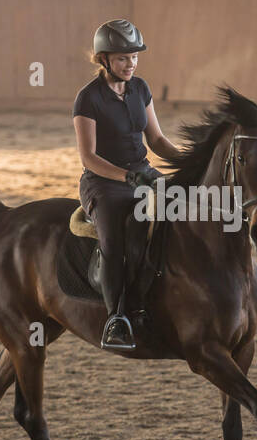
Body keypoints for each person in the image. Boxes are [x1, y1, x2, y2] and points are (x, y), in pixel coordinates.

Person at [72, 18, 181, 349]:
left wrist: (188, 163)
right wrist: (127, 176)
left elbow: (157, 139)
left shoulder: (140, 89)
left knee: (184, 213)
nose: (130, 63)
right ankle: (117, 317)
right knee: (115, 242)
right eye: (122, 58)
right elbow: (88, 157)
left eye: (134, 57)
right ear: (103, 59)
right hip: (104, 183)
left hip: (143, 172)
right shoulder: (88, 99)